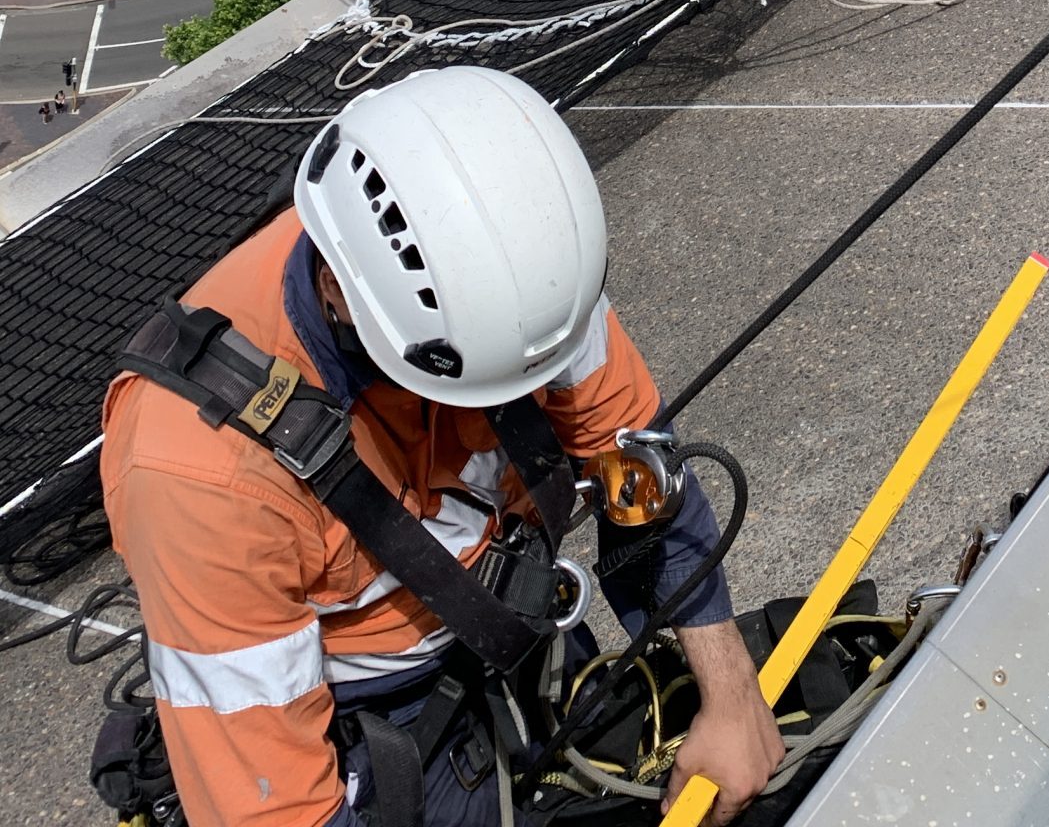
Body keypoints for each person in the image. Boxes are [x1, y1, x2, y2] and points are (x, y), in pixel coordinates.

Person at [101, 67, 784, 827]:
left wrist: (730, 695)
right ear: (339, 294)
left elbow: (639, 487)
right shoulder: (199, 476)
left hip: (514, 622)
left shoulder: (520, 282)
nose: (506, 407)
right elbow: (277, 811)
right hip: (378, 720)